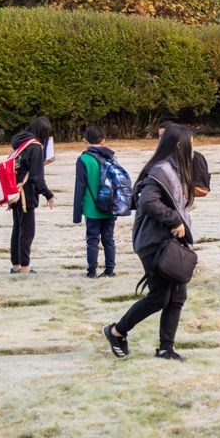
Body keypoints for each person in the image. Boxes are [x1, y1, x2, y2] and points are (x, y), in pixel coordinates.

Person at [104, 125, 198, 361]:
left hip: (166, 242)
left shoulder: (173, 170)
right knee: (159, 297)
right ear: (178, 145)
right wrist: (175, 219)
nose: (193, 148)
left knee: (176, 297)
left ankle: (166, 348)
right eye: (191, 143)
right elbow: (147, 202)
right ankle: (116, 331)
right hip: (154, 243)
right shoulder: (161, 171)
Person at [7, 117, 55, 274]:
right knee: (27, 232)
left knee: (17, 229)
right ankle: (25, 268)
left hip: (15, 191)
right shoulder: (35, 147)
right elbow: (36, 177)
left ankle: (16, 266)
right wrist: (48, 194)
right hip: (26, 195)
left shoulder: (21, 142)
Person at [72, 125, 119, 279]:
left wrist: (77, 215)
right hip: (110, 206)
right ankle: (110, 270)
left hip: (92, 208)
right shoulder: (112, 157)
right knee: (109, 238)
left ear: (84, 140)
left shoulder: (84, 159)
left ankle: (91, 272)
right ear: (103, 141)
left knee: (92, 240)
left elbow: (80, 188)